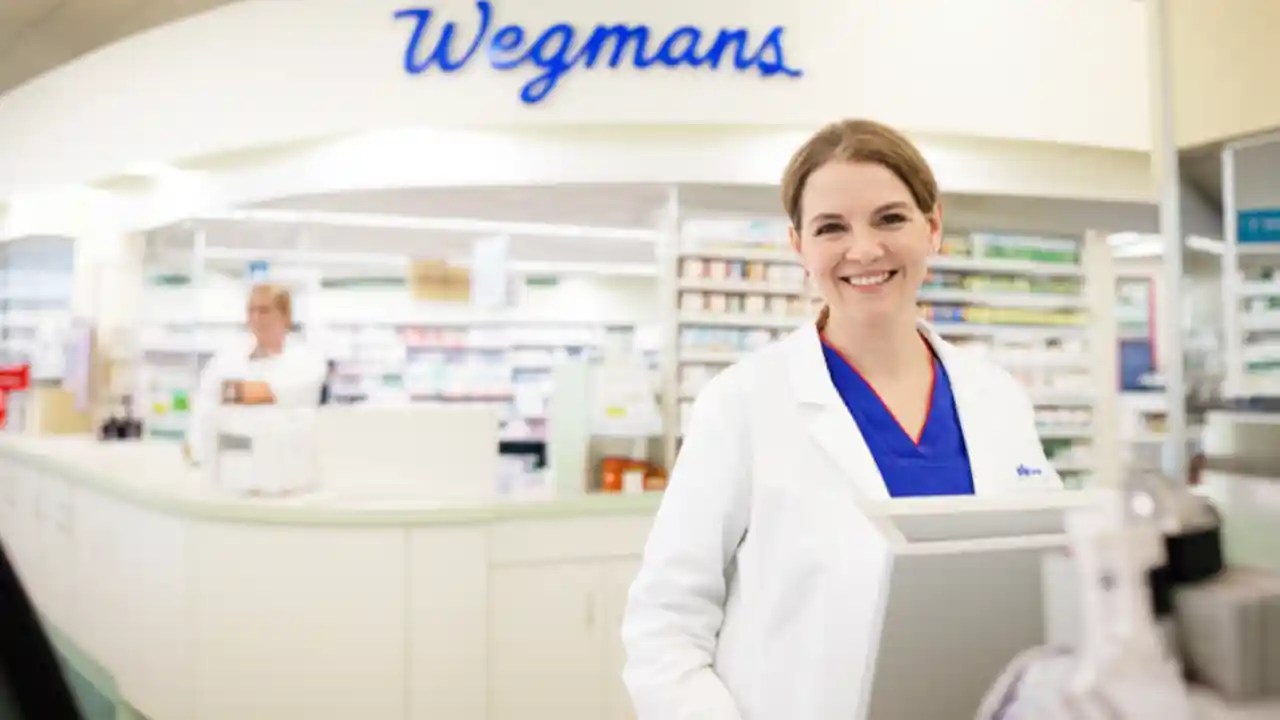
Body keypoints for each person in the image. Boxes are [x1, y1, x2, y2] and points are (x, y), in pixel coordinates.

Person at [621, 119, 1063, 719]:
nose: (863, 249)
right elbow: (666, 622)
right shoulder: (743, 403)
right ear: (799, 246)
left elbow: (1040, 583)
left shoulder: (998, 398)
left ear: (932, 228)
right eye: (832, 228)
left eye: (889, 218)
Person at [184, 283, 326, 464]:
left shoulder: (307, 359)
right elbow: (206, 400)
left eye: (264, 310)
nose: (256, 318)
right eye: (251, 311)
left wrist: (231, 393)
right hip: (229, 459)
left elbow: (272, 392)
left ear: (285, 316)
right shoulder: (228, 356)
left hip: (284, 461)